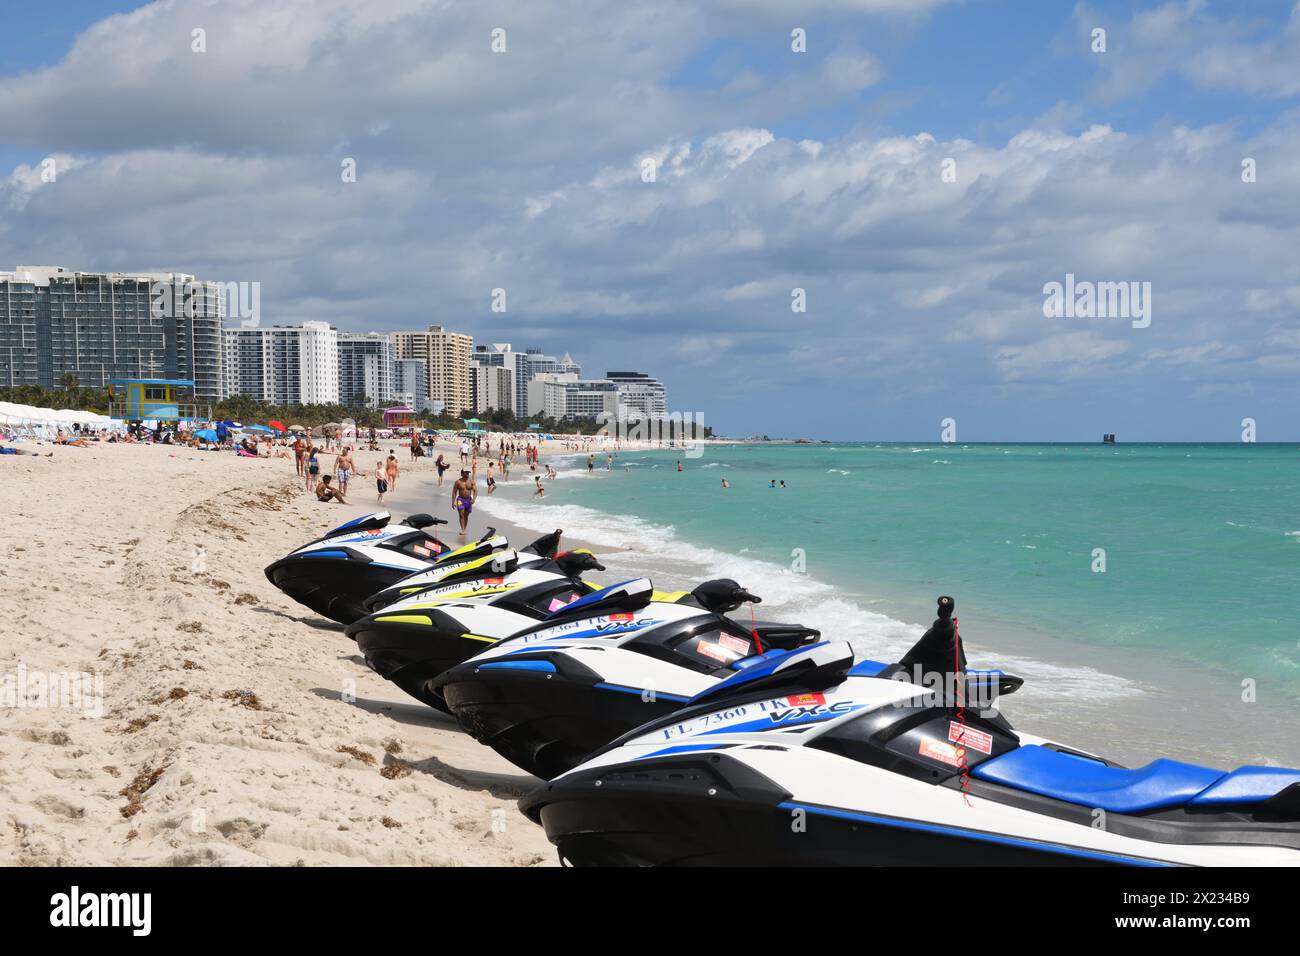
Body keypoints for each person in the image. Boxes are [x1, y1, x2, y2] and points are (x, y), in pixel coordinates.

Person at [452, 469, 477, 538]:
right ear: (462, 473)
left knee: (466, 515)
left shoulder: (471, 482)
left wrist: (474, 499)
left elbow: (475, 491)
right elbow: (454, 492)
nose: (467, 474)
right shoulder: (458, 482)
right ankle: (462, 530)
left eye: (468, 473)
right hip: (460, 499)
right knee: (461, 513)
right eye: (465, 473)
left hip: (468, 500)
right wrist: (453, 502)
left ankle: (464, 529)